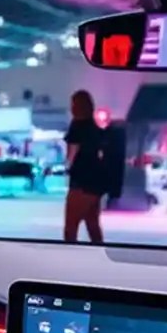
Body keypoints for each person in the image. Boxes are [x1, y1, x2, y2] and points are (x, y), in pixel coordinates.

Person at [62, 90, 105, 244]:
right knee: (93, 224)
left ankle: (72, 257)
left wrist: (66, 167)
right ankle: (99, 254)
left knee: (71, 226)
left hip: (80, 182)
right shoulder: (94, 128)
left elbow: (71, 155)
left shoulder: (77, 126)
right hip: (96, 182)